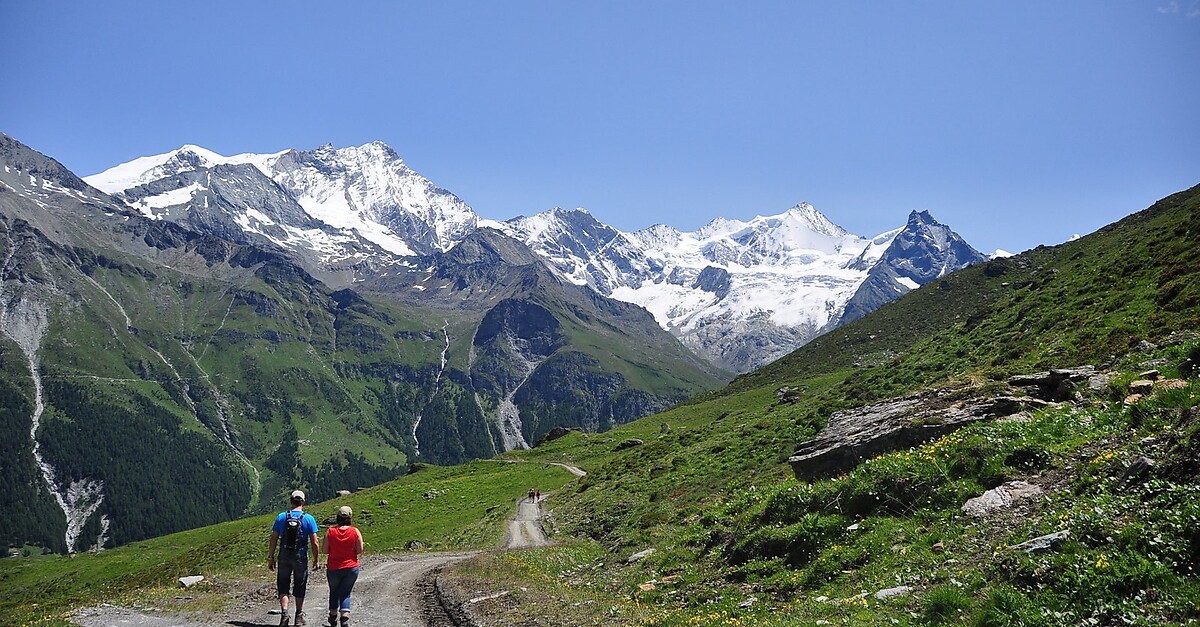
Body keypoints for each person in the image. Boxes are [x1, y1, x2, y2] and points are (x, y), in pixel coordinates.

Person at [268, 490, 320, 626]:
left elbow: (273, 538)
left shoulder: (281, 517)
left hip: (284, 554)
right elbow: (315, 542)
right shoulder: (309, 519)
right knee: (300, 584)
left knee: (283, 584)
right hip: (300, 556)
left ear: (291, 501)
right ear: (303, 502)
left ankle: (284, 614)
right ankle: (298, 616)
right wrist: (316, 559)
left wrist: (271, 557)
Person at [321, 506, 364, 627]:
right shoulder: (355, 531)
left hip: (333, 568)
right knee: (345, 593)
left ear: (338, 517)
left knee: (334, 591)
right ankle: (344, 618)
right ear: (350, 517)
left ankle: (333, 616)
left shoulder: (330, 531)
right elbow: (359, 550)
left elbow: (324, 550)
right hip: (351, 567)